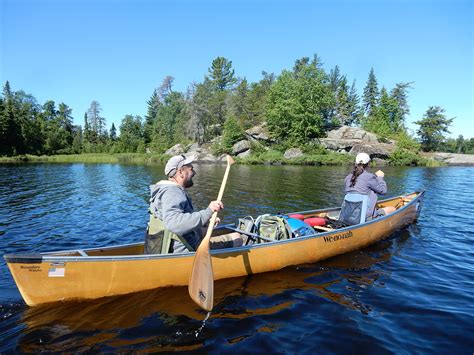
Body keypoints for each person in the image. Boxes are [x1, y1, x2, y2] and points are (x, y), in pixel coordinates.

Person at [144, 154, 243, 254]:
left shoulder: (165, 190)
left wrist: (205, 220)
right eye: (191, 169)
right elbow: (174, 223)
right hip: (186, 247)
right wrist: (208, 211)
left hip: (182, 240)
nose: (194, 172)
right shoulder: (173, 193)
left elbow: (179, 218)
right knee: (237, 237)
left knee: (208, 229)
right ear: (181, 172)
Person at [343, 152, 396, 220]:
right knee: (392, 209)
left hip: (348, 215)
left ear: (355, 163)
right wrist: (380, 178)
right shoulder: (369, 177)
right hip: (364, 217)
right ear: (368, 164)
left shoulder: (347, 178)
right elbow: (383, 191)